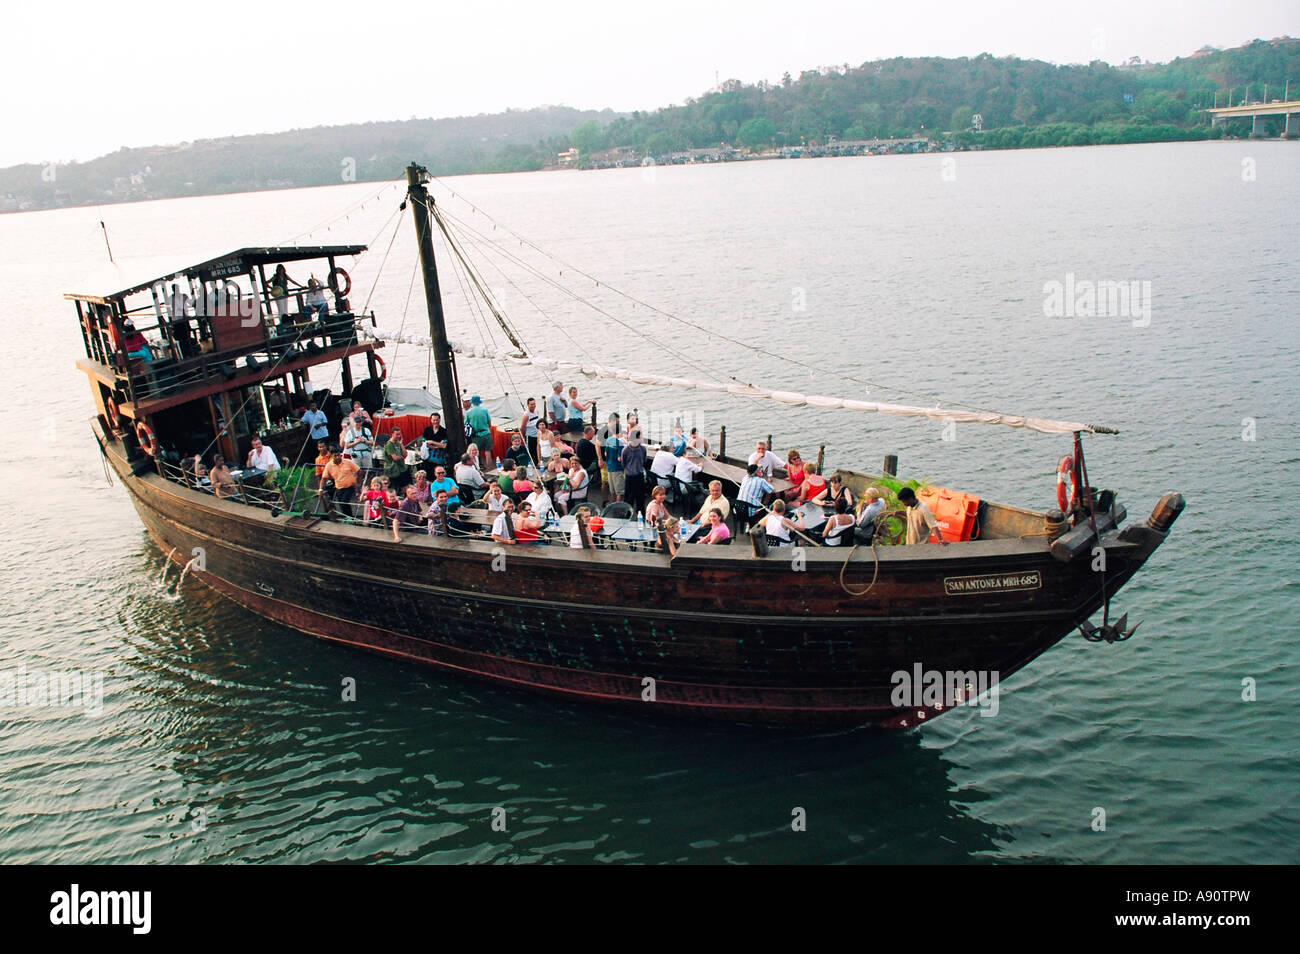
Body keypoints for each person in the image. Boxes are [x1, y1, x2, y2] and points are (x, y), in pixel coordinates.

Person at [318, 445, 360, 516]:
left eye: (339, 455)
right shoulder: (329, 465)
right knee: (341, 504)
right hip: (339, 487)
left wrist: (358, 482)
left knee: (344, 501)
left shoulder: (348, 462)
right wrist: (321, 489)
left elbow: (359, 471)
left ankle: (350, 518)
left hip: (350, 486)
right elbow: (324, 478)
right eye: (335, 456)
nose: (337, 457)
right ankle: (348, 517)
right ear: (331, 457)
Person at [736, 464, 774, 532]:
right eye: (759, 469)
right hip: (751, 511)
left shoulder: (745, 478)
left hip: (738, 508)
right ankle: (760, 526)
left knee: (750, 502)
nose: (761, 470)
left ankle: (748, 525)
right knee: (767, 506)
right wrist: (765, 503)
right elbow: (772, 491)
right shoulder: (761, 481)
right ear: (757, 472)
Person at [621, 433, 649, 516]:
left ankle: (640, 516)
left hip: (639, 476)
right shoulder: (625, 450)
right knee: (628, 499)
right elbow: (623, 463)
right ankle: (627, 516)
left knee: (640, 498)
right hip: (629, 477)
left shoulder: (643, 449)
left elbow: (644, 460)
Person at [598, 417, 625, 502]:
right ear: (620, 431)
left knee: (612, 490)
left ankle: (613, 506)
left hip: (609, 467)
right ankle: (618, 509)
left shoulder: (608, 440)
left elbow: (605, 453)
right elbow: (619, 458)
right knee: (620, 492)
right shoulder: (619, 443)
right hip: (617, 468)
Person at [464, 395, 494, 469]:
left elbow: (465, 424)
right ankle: (490, 469)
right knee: (488, 452)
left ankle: (478, 468)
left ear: (472, 403)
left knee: (476, 453)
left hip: (476, 435)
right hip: (486, 433)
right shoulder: (484, 410)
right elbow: (489, 424)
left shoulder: (468, 412)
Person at [520, 397, 541, 464]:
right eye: (531, 404)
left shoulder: (537, 411)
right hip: (530, 436)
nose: (533, 406)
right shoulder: (526, 415)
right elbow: (522, 428)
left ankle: (538, 463)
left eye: (534, 404)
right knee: (531, 453)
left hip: (537, 436)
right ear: (528, 405)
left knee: (537, 451)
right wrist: (523, 437)